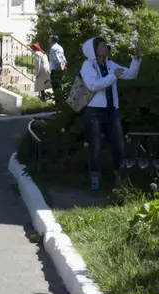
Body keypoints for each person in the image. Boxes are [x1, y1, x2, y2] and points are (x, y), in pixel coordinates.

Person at [79, 35, 142, 194]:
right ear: (94, 50)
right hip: (94, 112)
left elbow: (131, 74)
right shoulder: (88, 66)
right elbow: (93, 85)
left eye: (105, 45)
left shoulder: (111, 64)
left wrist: (136, 59)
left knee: (119, 145)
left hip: (112, 111)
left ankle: (118, 179)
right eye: (101, 46)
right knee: (96, 147)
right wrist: (114, 75)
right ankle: (95, 182)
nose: (105, 48)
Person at [46, 32, 66, 103]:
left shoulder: (53, 48)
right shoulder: (60, 47)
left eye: (49, 38)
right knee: (59, 86)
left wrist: (60, 67)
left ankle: (58, 103)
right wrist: (64, 66)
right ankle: (60, 102)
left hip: (56, 69)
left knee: (56, 87)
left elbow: (57, 59)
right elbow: (63, 58)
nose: (48, 40)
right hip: (60, 68)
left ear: (52, 40)